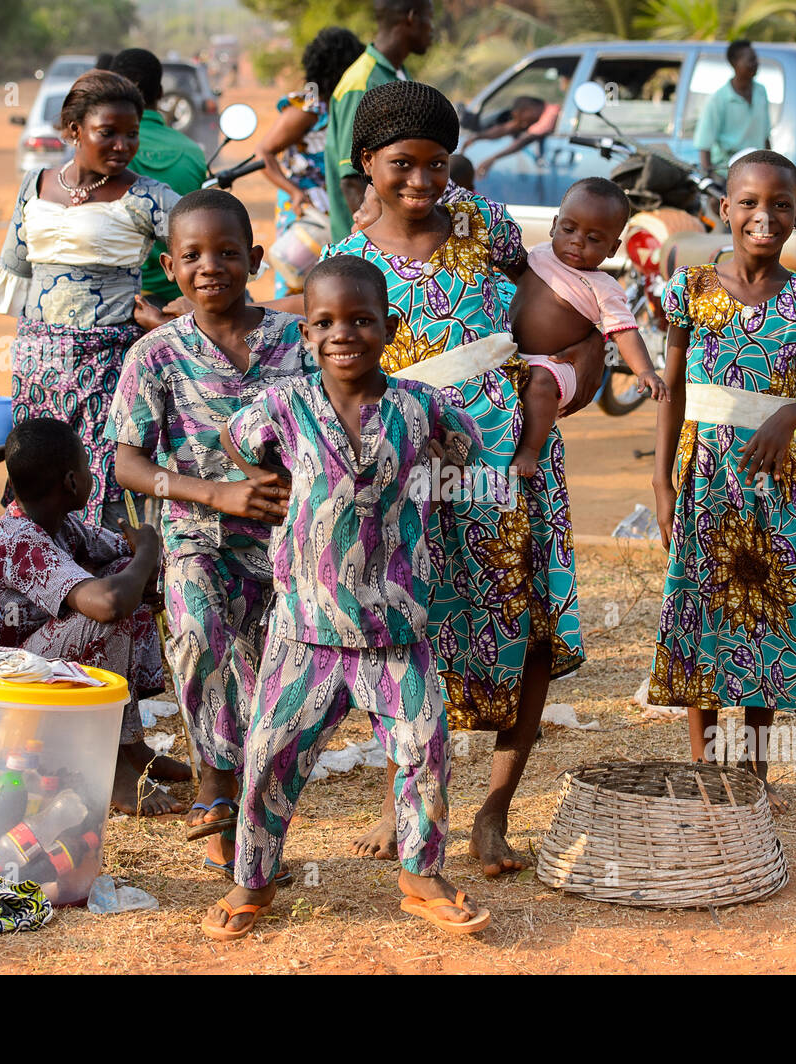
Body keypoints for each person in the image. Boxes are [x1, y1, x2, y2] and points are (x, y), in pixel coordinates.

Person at [328, 80, 602, 875]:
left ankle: (493, 813)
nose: (421, 181)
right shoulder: (353, 262)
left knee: (532, 628)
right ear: (366, 166)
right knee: (411, 625)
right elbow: (343, 371)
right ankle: (404, 798)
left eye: (437, 164)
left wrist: (568, 380)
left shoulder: (485, 222)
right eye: (402, 164)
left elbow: (559, 304)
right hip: (415, 465)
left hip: (512, 456)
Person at [203, 254, 489, 939]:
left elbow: (464, 453)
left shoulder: (420, 407)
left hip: (397, 627)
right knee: (271, 753)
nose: (343, 334)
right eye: (325, 321)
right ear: (306, 333)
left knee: (424, 746)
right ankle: (253, 880)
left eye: (361, 320)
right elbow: (235, 440)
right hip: (305, 626)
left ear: (388, 327)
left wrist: (414, 499)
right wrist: (272, 485)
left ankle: (420, 873)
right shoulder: (283, 406)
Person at [107, 189, 313, 872]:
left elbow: (339, 418)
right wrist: (213, 492)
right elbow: (130, 463)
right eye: (192, 255)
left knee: (271, 679)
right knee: (197, 637)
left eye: (227, 252)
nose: (211, 266)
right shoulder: (157, 355)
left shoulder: (295, 339)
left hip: (287, 539)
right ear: (170, 265)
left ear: (254, 258)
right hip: (198, 534)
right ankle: (214, 782)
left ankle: (249, 842)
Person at [649, 150, 796, 812]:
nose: (763, 216)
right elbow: (673, 389)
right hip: (703, 475)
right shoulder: (690, 289)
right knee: (702, 612)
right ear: (724, 211)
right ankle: (708, 770)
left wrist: (793, 413)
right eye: (748, 203)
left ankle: (758, 774)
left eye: (780, 205)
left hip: (772, 485)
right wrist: (661, 482)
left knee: (765, 619)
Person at [0, 71, 181, 532]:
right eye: (109, 133)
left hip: (109, 368)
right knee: (38, 486)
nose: (123, 145)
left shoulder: (149, 197)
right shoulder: (35, 183)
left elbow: (208, 255)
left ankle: (108, 596)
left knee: (99, 486)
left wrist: (171, 315)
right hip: (37, 368)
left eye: (132, 134)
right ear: (73, 130)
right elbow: (11, 277)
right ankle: (47, 597)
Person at [0, 418, 185, 816]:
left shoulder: (57, 525)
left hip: (11, 673)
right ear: (70, 482)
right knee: (110, 609)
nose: (89, 472)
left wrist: (142, 559)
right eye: (85, 464)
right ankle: (111, 767)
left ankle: (133, 749)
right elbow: (110, 605)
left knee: (122, 572)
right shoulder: (17, 539)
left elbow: (123, 554)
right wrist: (148, 550)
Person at [509, 177, 667, 476]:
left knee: (540, 384)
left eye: (594, 239)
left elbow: (624, 331)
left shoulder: (603, 287)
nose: (578, 241)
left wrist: (644, 370)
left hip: (557, 364)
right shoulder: (539, 254)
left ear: (613, 247)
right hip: (515, 356)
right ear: (554, 225)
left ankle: (529, 451)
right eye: (569, 229)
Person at [258, 27, 365, 297]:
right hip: (304, 209)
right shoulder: (310, 105)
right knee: (299, 283)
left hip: (330, 208)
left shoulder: (341, 103)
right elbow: (264, 152)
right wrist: (295, 191)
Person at [324, 0, 435, 244]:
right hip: (368, 253)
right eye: (429, 18)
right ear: (412, 17)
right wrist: (377, 246)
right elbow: (352, 179)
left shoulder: (399, 75)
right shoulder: (362, 83)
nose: (432, 28)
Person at [107, 48, 209, 311]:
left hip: (122, 296)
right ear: (161, 93)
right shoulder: (192, 150)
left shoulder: (105, 152)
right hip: (182, 294)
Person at [695, 39, 771, 181]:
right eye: (750, 60)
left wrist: (770, 166)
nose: (755, 63)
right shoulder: (719, 99)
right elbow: (704, 145)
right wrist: (710, 180)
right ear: (735, 63)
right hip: (726, 173)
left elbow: (766, 137)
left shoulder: (761, 92)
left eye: (755, 59)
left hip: (755, 172)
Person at [464, 95, 561, 180]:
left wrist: (493, 158)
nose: (523, 125)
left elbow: (523, 140)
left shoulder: (550, 115)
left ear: (528, 111)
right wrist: (477, 136)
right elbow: (506, 128)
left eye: (521, 119)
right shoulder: (537, 115)